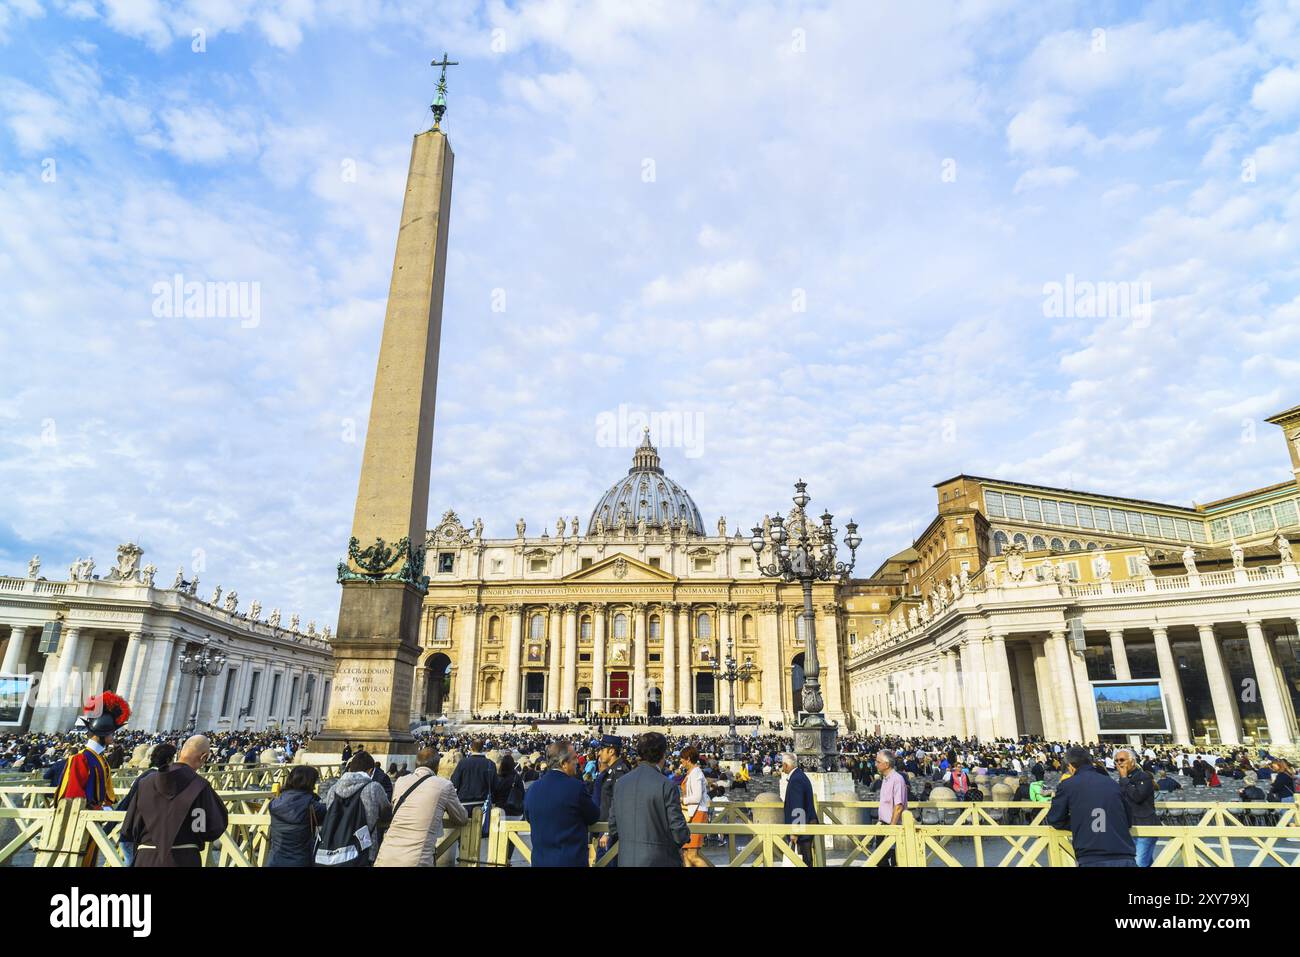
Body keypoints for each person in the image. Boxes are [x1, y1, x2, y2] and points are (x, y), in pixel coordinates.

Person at [121, 734, 229, 867]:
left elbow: (129, 828)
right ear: (204, 757)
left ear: (179, 753)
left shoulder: (145, 783)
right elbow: (213, 829)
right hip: (183, 859)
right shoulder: (200, 786)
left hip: (145, 859)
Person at [608, 732, 691, 867]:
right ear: (663, 754)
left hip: (626, 860)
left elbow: (613, 826)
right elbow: (679, 832)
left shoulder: (621, 783)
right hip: (660, 860)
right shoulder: (666, 785)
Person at [375, 747, 468, 867]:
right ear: (437, 766)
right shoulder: (444, 785)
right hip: (416, 859)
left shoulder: (401, 781)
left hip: (386, 855)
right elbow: (462, 818)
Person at [1045, 746, 1135, 867]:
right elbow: (1128, 820)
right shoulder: (1113, 783)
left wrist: (1082, 823)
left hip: (1092, 856)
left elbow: (1055, 819)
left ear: (1071, 766)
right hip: (1124, 855)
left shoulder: (1068, 785)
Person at [523, 742, 599, 867]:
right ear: (564, 763)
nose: (577, 762)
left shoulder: (533, 789)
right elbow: (594, 816)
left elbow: (528, 817)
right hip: (570, 861)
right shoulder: (576, 788)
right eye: (574, 758)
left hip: (541, 862)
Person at [320, 751, 392, 866]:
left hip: (333, 850)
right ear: (371, 770)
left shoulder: (333, 789)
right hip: (364, 850)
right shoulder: (373, 788)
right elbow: (387, 812)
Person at [116, 742, 176, 867]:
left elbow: (126, 802)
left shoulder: (147, 775)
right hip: (137, 835)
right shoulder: (154, 779)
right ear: (169, 760)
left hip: (131, 833)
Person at [267, 765, 326, 867]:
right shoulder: (313, 806)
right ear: (309, 783)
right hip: (301, 861)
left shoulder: (274, 803)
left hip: (275, 860)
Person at [592, 733, 632, 865]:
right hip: (605, 828)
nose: (599, 754)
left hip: (611, 832)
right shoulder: (611, 771)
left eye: (602, 750)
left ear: (611, 751)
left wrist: (608, 832)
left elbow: (620, 804)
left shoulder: (619, 771)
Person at [1115, 748, 1157, 867]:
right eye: (1117, 760)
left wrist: (1124, 779)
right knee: (1144, 862)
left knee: (1139, 863)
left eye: (1122, 760)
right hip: (1129, 826)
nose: (1119, 763)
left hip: (1146, 825)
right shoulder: (1123, 780)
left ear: (1132, 761)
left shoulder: (1144, 776)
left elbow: (1137, 797)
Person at [781, 752, 817, 866]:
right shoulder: (800, 775)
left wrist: (795, 832)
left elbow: (798, 807)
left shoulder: (796, 779)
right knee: (805, 859)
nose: (782, 768)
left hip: (803, 827)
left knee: (804, 860)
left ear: (786, 765)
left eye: (782, 765)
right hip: (806, 824)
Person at [678, 746, 712, 867]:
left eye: (682, 759)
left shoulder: (696, 773)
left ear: (688, 759)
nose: (680, 762)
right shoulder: (692, 773)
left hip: (697, 813)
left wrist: (682, 799)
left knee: (692, 854)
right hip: (692, 814)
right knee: (685, 853)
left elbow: (696, 797)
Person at [875, 749, 908, 867]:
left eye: (878, 762)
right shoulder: (885, 779)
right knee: (880, 861)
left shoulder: (897, 779)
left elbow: (898, 806)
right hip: (883, 825)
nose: (876, 764)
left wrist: (891, 830)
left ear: (887, 764)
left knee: (895, 862)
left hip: (892, 826)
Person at [450, 738, 496, 807]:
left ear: (471, 748)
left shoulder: (463, 762)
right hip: (483, 803)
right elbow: (494, 785)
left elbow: (454, 782)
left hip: (464, 803)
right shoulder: (490, 764)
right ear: (483, 748)